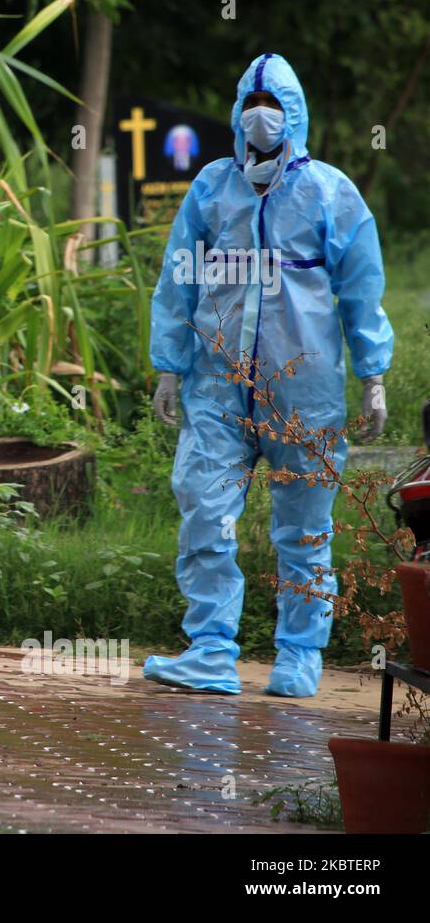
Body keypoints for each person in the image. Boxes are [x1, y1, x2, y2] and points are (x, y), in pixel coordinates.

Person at [146, 53, 394, 697]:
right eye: (253, 103)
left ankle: (299, 655)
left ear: (296, 115)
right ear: (236, 112)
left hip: (302, 388)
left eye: (275, 105)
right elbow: (179, 277)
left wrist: (374, 374)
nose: (263, 116)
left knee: (305, 522)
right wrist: (169, 366)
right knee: (206, 509)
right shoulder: (210, 189)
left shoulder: (331, 192)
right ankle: (208, 650)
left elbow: (362, 290)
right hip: (216, 383)